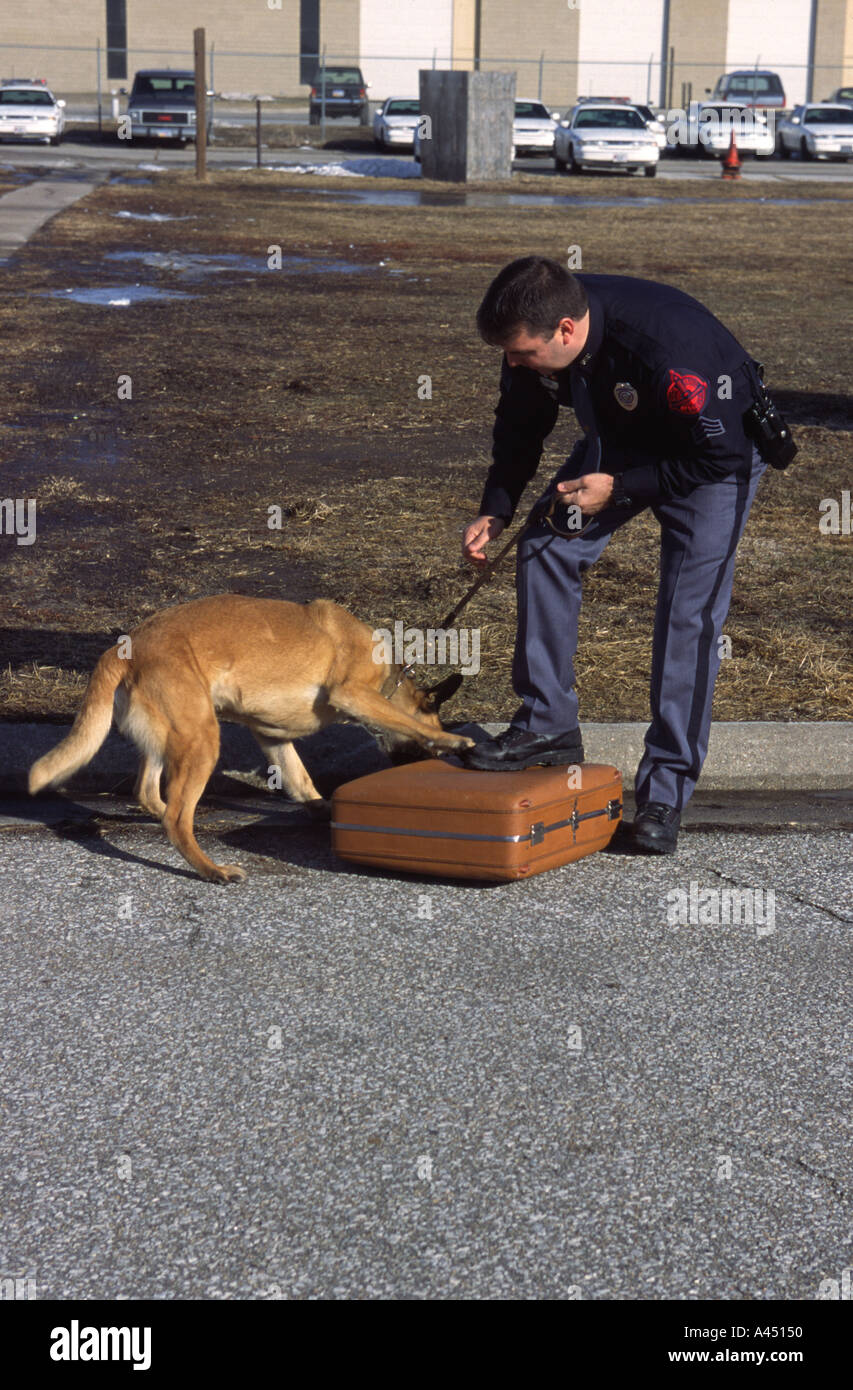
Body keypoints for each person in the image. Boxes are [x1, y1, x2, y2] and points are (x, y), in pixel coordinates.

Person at [459, 256, 771, 854]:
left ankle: (666, 793)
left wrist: (620, 489)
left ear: (566, 333)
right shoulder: (534, 329)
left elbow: (721, 458)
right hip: (623, 443)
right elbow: (521, 423)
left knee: (688, 615)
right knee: (546, 545)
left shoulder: (668, 352)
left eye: (523, 354)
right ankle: (546, 725)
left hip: (710, 462)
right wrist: (497, 505)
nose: (514, 364)